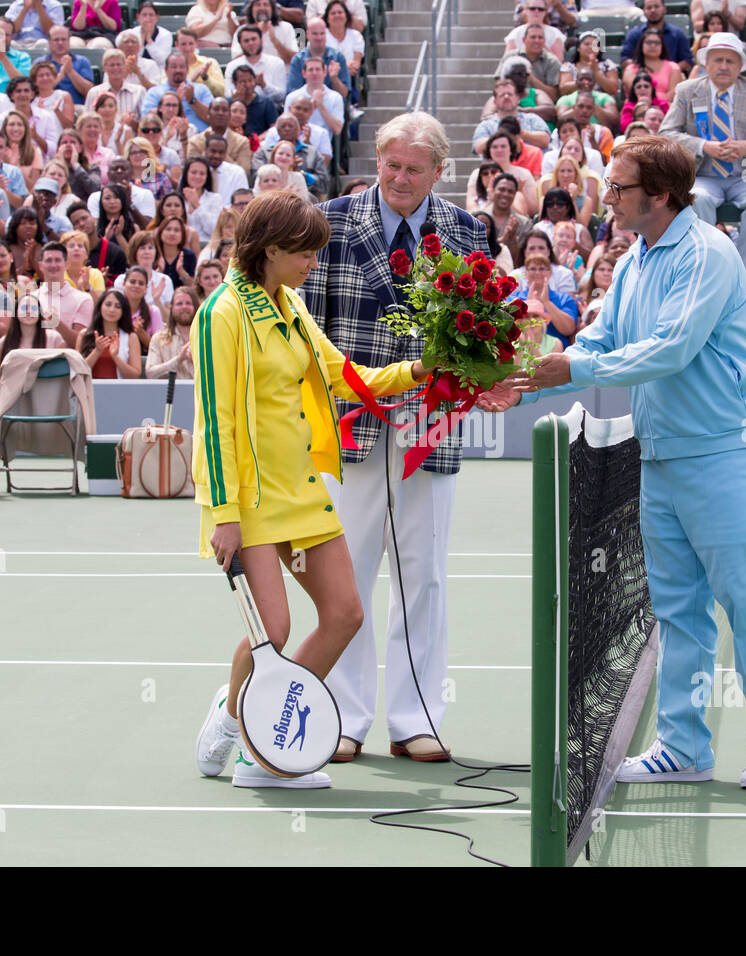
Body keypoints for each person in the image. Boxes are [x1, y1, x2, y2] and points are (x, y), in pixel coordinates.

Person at [484, 137, 746, 789]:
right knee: (677, 609)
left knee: (745, 599)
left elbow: (671, 349)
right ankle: (684, 747)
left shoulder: (708, 255)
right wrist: (526, 378)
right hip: (661, 454)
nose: (608, 198)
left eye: (620, 188)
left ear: (658, 194)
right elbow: (602, 340)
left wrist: (573, 365)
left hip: (727, 450)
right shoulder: (633, 260)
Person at [191, 189, 441, 788]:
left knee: (344, 614)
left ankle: (240, 720)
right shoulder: (221, 314)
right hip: (246, 503)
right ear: (270, 249)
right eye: (305, 253)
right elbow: (217, 419)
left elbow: (340, 375)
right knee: (271, 632)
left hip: (300, 493)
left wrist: (419, 370)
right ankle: (260, 751)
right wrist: (224, 514)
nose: (314, 264)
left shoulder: (293, 305)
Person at [297, 112, 488, 765]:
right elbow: (308, 333)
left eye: (414, 168)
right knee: (347, 577)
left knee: (423, 576)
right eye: (391, 165)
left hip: (431, 425)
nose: (400, 179)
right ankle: (347, 718)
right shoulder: (328, 224)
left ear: (439, 171)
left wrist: (481, 378)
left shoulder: (468, 231)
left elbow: (481, 337)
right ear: (376, 160)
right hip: (349, 426)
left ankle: (416, 720)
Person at [662, 33, 746, 274]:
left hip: (745, 174)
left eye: (730, 61)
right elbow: (666, 132)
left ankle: (741, 273)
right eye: (718, 60)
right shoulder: (687, 90)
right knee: (697, 198)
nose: (723, 66)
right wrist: (703, 146)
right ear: (706, 64)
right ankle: (708, 268)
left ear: (740, 66)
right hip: (703, 174)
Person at [77, 288, 141, 379]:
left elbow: (134, 375)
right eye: (108, 304)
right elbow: (78, 372)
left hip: (119, 390)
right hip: (90, 390)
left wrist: (115, 357)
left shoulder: (131, 337)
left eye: (118, 306)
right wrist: (97, 351)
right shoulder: (84, 335)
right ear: (100, 306)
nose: (112, 310)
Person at [145, 283, 196, 379]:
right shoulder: (158, 338)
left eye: (188, 303)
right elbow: (150, 373)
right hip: (171, 392)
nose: (184, 307)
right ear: (172, 308)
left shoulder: (209, 337)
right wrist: (179, 359)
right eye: (179, 304)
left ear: (195, 307)